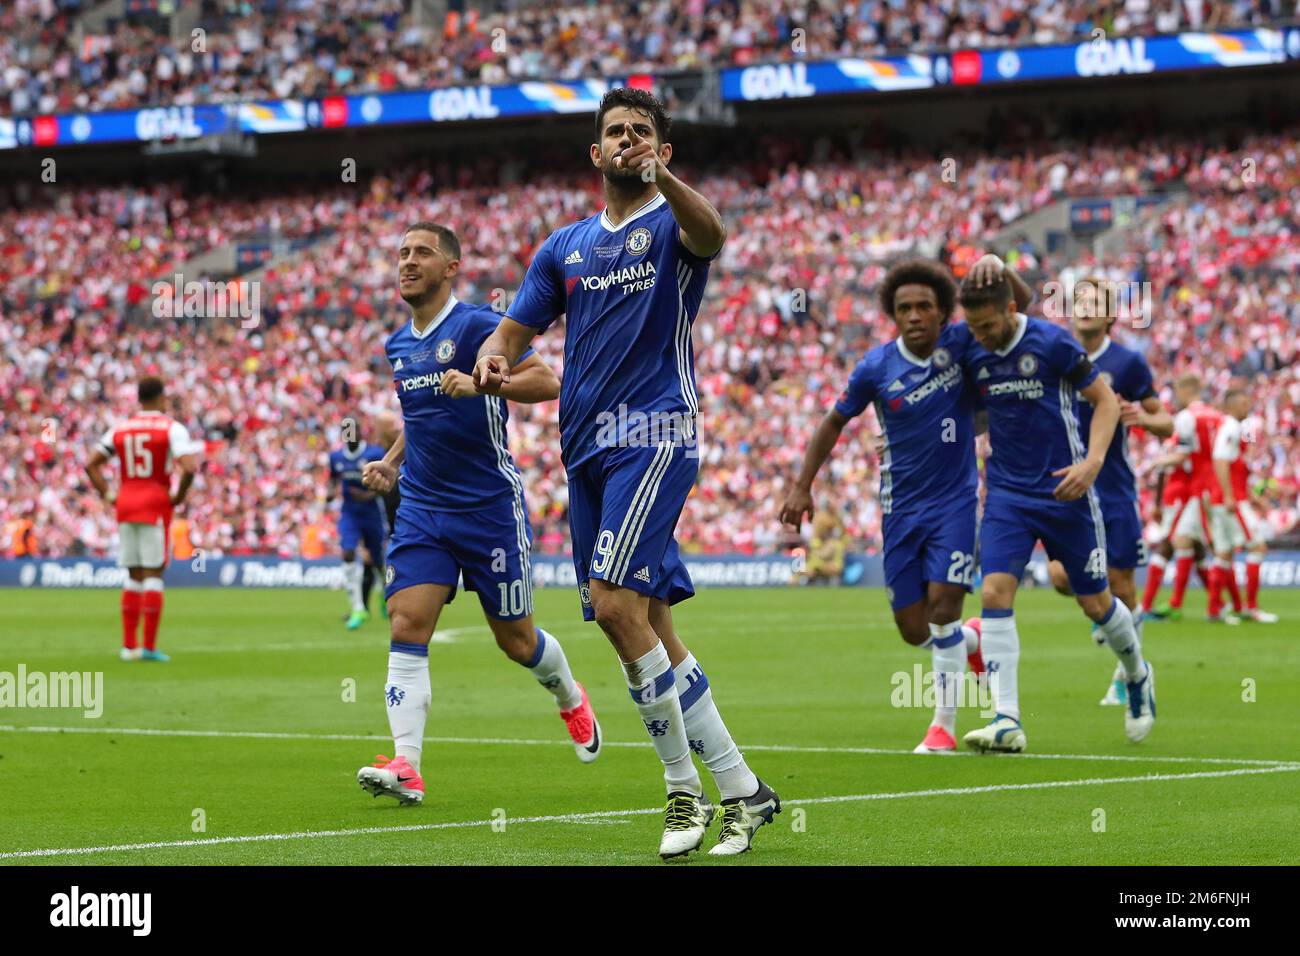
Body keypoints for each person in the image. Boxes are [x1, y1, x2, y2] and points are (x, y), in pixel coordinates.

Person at [473, 88, 777, 858]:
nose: (628, 141)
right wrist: (491, 357)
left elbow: (714, 232)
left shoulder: (674, 225)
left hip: (654, 430)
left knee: (613, 605)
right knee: (647, 627)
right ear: (594, 152)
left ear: (663, 152)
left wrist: (668, 183)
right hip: (585, 450)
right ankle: (744, 791)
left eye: (643, 133)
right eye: (615, 132)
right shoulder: (565, 245)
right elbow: (515, 329)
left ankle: (683, 791)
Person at [355, 222, 601, 808]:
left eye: (422, 253)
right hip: (421, 507)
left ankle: (568, 695)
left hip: (488, 506)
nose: (407, 262)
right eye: (402, 252)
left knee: (516, 642)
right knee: (405, 623)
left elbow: (547, 380)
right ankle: (407, 767)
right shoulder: (397, 343)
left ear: (451, 268)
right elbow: (421, 420)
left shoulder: (477, 326)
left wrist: (483, 385)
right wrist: (391, 463)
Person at [780, 257, 1005, 754]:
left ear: (944, 311)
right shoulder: (875, 367)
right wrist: (802, 486)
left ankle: (941, 726)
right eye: (904, 307)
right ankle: (974, 643)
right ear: (892, 313)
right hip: (900, 510)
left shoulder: (961, 345)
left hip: (955, 503)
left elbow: (1011, 320)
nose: (915, 315)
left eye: (925, 306)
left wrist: (999, 274)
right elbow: (833, 422)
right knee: (913, 629)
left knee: (945, 608)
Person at [950, 271, 1155, 751]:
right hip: (1006, 495)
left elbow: (1104, 403)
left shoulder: (1052, 343)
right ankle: (1007, 719)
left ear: (1010, 310)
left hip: (1067, 492)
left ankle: (1137, 673)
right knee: (996, 591)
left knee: (1097, 604)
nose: (978, 336)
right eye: (972, 328)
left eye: (986, 326)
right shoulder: (973, 348)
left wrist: (1092, 463)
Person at [1044, 278, 1172, 706]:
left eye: (1095, 301)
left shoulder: (1128, 363)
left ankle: (1128, 673)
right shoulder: (1057, 355)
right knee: (1060, 576)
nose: (1085, 307)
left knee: (1121, 581)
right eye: (1079, 300)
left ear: (1111, 315)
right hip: (1065, 483)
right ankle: (1105, 615)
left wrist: (1140, 416)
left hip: (1112, 485)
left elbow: (1165, 422)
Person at [85, 376, 199, 661]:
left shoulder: (120, 428)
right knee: (153, 574)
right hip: (154, 503)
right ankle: (148, 647)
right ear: (161, 398)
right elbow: (190, 467)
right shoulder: (172, 428)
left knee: (133, 575)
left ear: (139, 398)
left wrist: (109, 495)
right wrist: (177, 496)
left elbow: (91, 464)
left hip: (125, 503)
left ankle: (128, 646)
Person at [1209, 388, 1278, 623]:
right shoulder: (1230, 426)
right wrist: (1230, 495)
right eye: (1242, 401)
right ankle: (1251, 607)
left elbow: (1236, 466)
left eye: (1248, 401)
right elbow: (1220, 460)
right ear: (1229, 405)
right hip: (1230, 500)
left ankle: (1214, 610)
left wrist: (1249, 494)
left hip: (1226, 497)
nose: (1246, 405)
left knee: (1224, 553)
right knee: (1257, 547)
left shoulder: (1237, 427)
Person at [328, 425, 388, 629]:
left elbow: (387, 481)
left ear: (360, 433)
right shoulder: (336, 457)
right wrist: (328, 493)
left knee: (379, 560)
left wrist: (368, 495)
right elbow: (332, 479)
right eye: (346, 432)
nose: (350, 436)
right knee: (347, 552)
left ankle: (384, 593)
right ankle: (358, 608)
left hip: (372, 513)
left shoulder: (374, 453)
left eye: (352, 431)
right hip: (350, 513)